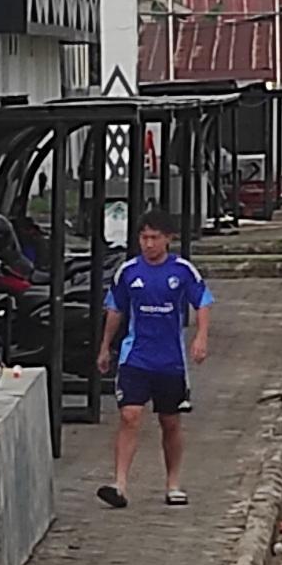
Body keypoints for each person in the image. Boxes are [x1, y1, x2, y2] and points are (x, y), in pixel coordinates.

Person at [96, 210, 213, 508]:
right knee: (129, 416)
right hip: (136, 357)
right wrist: (105, 347)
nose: (148, 244)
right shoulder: (128, 272)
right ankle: (120, 484)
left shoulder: (183, 271)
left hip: (170, 360)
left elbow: (202, 302)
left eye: (154, 238)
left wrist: (201, 337)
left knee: (170, 422)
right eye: (143, 238)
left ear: (167, 239)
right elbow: (115, 309)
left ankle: (173, 482)